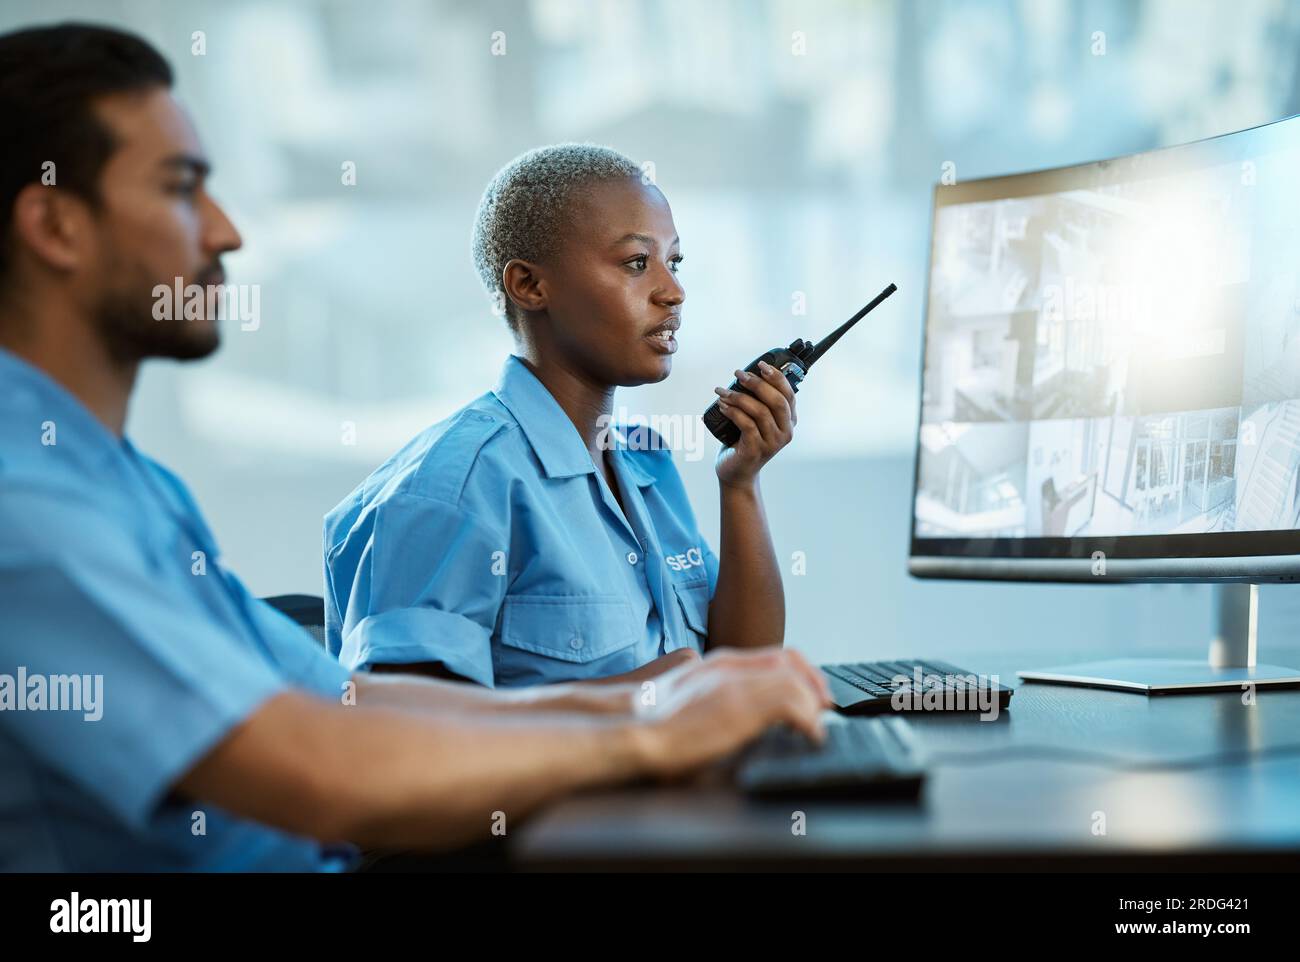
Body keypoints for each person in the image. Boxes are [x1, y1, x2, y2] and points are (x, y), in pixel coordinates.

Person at [0, 23, 829, 871]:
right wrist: (649, 734)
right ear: (57, 226)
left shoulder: (126, 484)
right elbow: (322, 769)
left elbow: (351, 705)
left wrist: (660, 705)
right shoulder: (27, 509)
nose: (227, 233)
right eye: (182, 189)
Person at [325, 144, 800, 688]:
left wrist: (739, 484)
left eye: (675, 262)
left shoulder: (646, 466)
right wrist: (637, 704)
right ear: (530, 286)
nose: (673, 291)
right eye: (636, 263)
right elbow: (405, 732)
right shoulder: (453, 489)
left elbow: (740, 677)